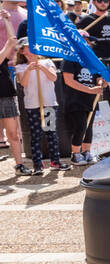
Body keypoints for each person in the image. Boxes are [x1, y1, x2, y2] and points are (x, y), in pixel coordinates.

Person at [13, 40, 63, 174]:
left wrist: (42, 67)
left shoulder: (47, 62)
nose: (30, 49)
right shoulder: (20, 67)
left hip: (49, 103)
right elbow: (23, 83)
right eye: (27, 47)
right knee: (36, 135)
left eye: (32, 46)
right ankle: (37, 164)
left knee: (51, 133)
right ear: (22, 51)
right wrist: (29, 69)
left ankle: (55, 161)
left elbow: (53, 78)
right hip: (32, 105)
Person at [60, 54, 105, 164]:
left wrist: (100, 84)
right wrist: (90, 90)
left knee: (88, 127)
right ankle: (75, 154)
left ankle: (86, 152)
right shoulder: (69, 59)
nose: (86, 43)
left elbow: (98, 77)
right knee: (81, 126)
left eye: (87, 41)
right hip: (75, 100)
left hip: (90, 101)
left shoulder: (91, 59)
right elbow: (68, 80)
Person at [76, 0, 110, 65]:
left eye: (106, 1)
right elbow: (75, 33)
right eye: (99, 1)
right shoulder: (87, 19)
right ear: (93, 3)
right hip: (97, 57)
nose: (103, 3)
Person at [0, 25, 22, 163]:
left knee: (13, 134)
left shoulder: (2, 53)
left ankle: (19, 164)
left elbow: (14, 41)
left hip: (6, 96)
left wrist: (7, 20)